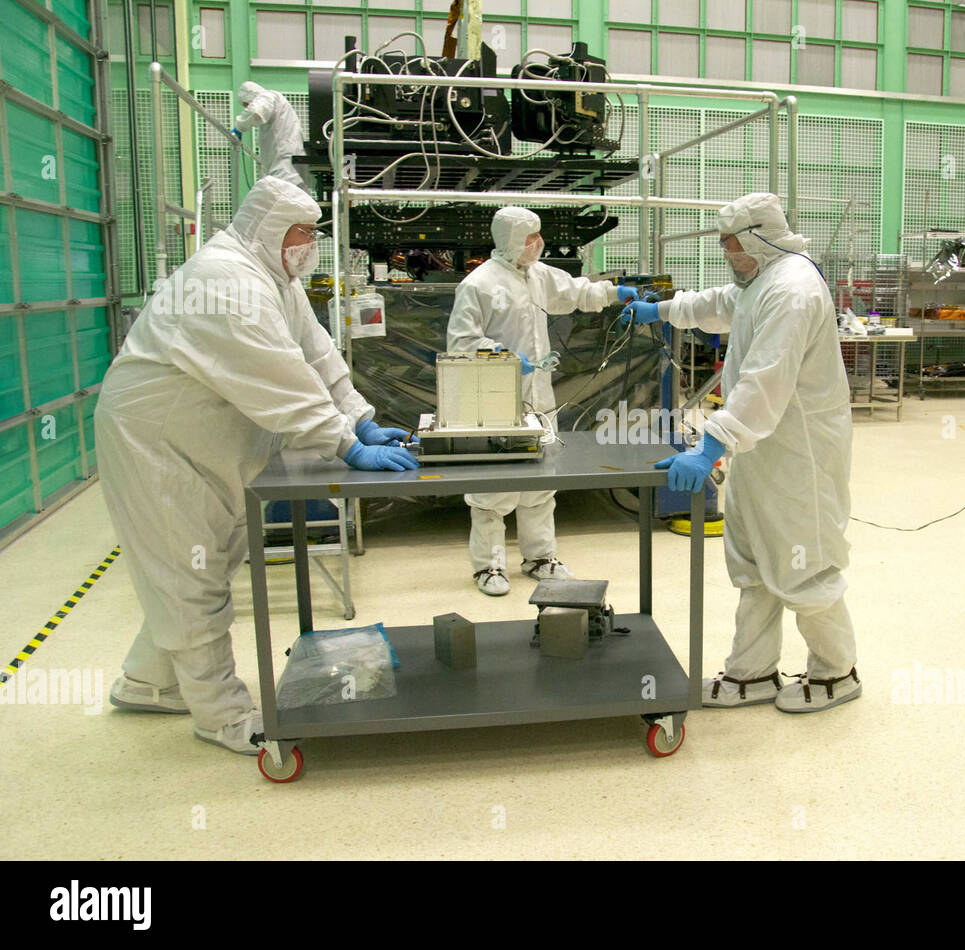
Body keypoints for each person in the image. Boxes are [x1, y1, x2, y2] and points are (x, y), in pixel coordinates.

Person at [96, 177, 417, 755]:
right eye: (302, 233)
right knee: (188, 574)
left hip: (203, 444)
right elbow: (282, 379)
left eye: (314, 233)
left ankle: (147, 682)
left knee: (203, 564)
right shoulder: (227, 280)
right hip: (156, 444)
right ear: (270, 230)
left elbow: (314, 352)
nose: (309, 245)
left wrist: (361, 418)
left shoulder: (274, 277)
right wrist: (345, 445)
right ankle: (220, 714)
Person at [621, 192, 859, 713]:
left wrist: (710, 447)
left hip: (800, 453)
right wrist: (658, 310)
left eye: (732, 247)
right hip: (760, 447)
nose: (729, 256)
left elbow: (765, 381)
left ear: (758, 238)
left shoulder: (793, 290)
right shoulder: (760, 281)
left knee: (804, 564)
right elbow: (720, 304)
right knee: (753, 561)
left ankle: (836, 671)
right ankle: (753, 674)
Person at [446, 206, 639, 596]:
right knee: (492, 487)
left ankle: (539, 557)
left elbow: (575, 291)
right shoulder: (478, 284)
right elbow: (461, 343)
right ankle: (488, 566)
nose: (538, 244)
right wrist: (501, 356)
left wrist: (612, 291)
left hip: (539, 397)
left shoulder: (537, 276)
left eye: (538, 236)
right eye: (530, 237)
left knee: (540, 483)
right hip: (496, 400)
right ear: (511, 240)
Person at [232, 81, 307, 189]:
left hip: (285, 163)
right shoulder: (276, 104)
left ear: (251, 96)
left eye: (247, 105)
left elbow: (255, 112)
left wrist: (239, 127)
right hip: (288, 163)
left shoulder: (268, 96)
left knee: (284, 197)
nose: (247, 107)